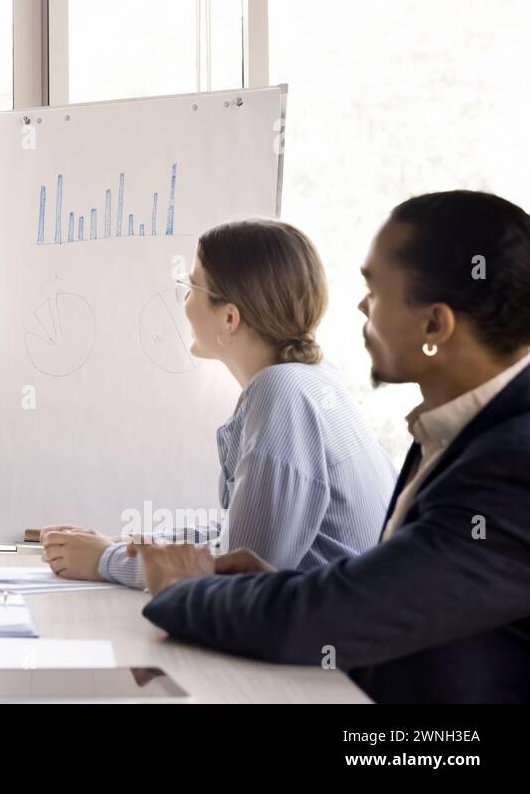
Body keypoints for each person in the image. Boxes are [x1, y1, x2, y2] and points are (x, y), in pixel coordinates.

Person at [138, 191, 530, 703]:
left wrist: (183, 590)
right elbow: (393, 602)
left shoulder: (511, 464)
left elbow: (338, 615)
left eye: (376, 291)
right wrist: (270, 585)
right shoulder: (453, 434)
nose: (362, 306)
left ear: (435, 325)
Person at [42, 218, 395, 588]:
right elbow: (243, 533)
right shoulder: (314, 378)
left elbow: (239, 571)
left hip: (316, 634)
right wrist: (139, 546)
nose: (184, 301)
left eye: (191, 286)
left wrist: (104, 561)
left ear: (230, 317)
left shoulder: (281, 391)